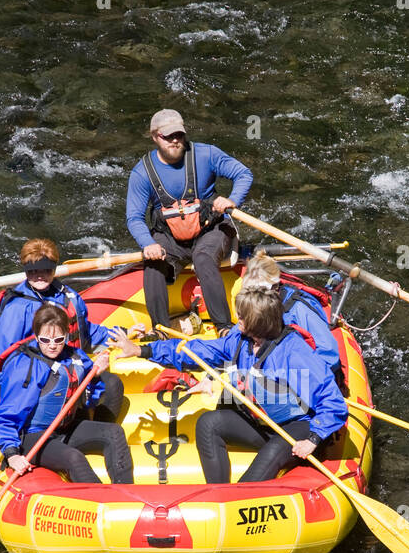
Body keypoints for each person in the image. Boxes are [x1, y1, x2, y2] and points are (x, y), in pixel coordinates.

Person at [110, 286, 346, 484]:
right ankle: (218, 493)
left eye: (241, 317)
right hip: (260, 420)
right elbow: (195, 351)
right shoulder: (239, 340)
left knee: (271, 455)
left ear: (256, 322)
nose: (237, 319)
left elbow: (331, 401)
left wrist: (314, 438)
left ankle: (240, 499)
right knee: (208, 423)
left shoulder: (294, 353)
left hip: (295, 427)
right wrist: (142, 350)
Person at [125, 109, 253, 335]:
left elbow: (243, 174)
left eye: (179, 135)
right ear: (155, 137)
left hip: (210, 231)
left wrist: (232, 199)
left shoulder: (206, 155)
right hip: (170, 239)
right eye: (168, 136)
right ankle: (162, 330)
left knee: (202, 258)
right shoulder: (142, 173)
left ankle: (223, 327)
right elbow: (134, 217)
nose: (175, 141)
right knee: (153, 266)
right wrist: (148, 244)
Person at [0, 304, 133, 484]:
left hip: (64, 428)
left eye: (58, 340)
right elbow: (5, 417)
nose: (52, 346)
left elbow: (90, 400)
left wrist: (94, 377)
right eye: (45, 340)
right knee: (74, 458)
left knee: (114, 432)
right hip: (31, 436)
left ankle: (126, 493)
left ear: (66, 335)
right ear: (36, 335)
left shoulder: (76, 358)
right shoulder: (25, 367)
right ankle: (100, 504)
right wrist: (11, 455)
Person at [0, 238, 122, 419]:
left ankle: (98, 427)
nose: (40, 275)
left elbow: (86, 331)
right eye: (33, 271)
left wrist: (122, 334)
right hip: (40, 378)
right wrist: (15, 397)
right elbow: (1, 359)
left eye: (46, 270)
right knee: (107, 384)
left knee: (112, 384)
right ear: (26, 271)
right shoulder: (17, 309)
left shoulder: (68, 296)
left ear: (54, 270)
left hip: (72, 366)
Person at [239, 250, 345, 389]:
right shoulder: (254, 305)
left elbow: (329, 355)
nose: (250, 300)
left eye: (254, 295)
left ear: (274, 289)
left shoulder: (299, 309)